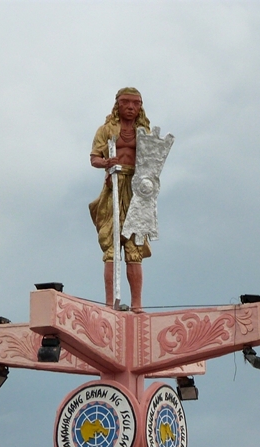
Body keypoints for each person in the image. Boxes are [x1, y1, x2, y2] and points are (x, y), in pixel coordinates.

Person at [89, 87, 152, 308]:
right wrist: (107, 162)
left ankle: (137, 305)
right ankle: (110, 303)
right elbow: (94, 158)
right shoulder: (106, 130)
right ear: (118, 104)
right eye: (126, 102)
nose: (131, 107)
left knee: (135, 247)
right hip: (114, 186)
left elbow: (153, 160)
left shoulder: (143, 132)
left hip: (136, 188)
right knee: (112, 245)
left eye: (136, 103)